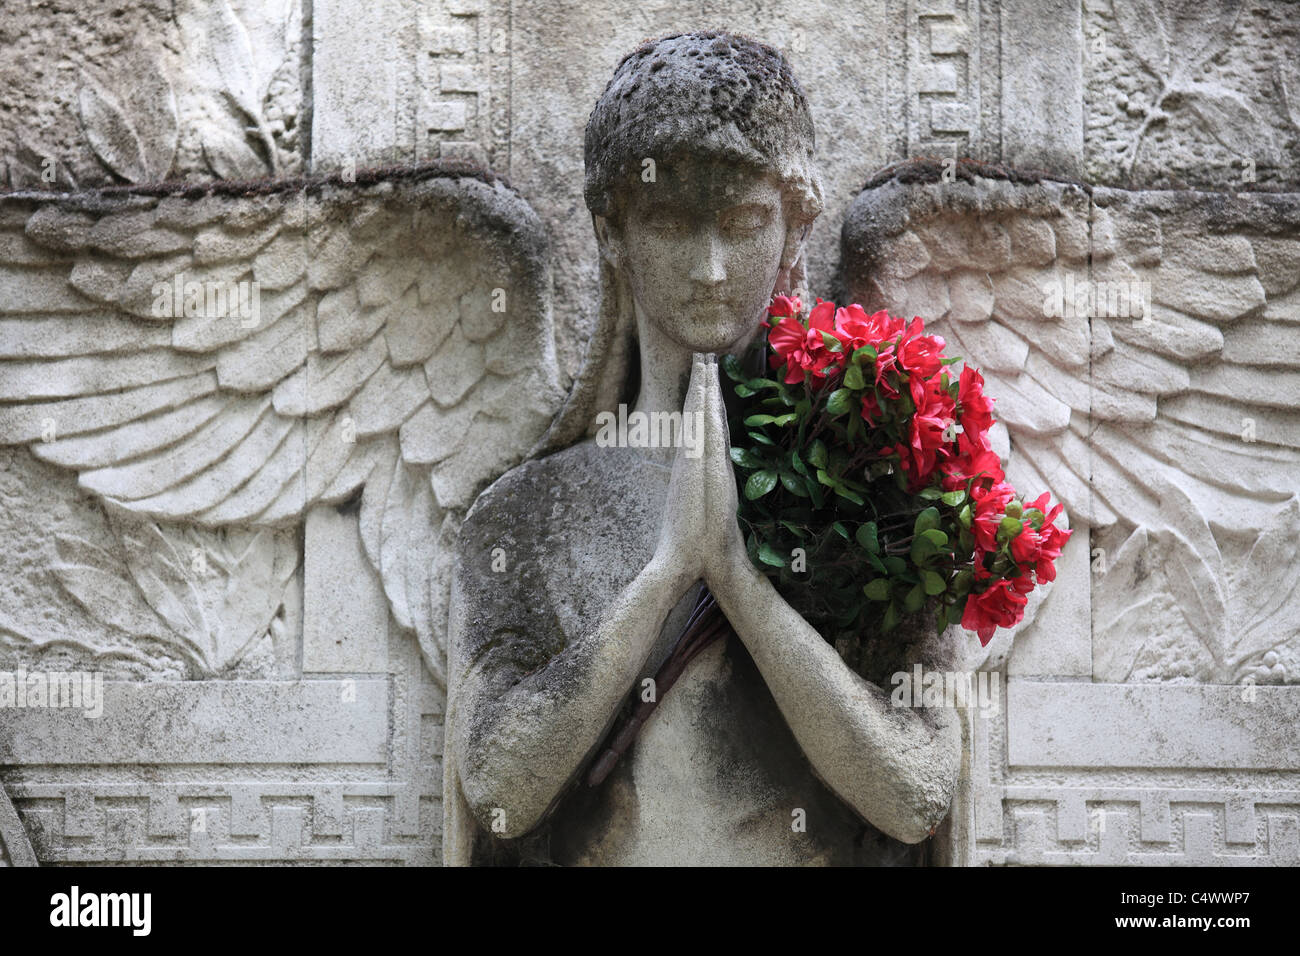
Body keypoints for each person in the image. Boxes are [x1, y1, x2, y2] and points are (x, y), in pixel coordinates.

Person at [444, 31, 965, 866]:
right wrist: (662, 578)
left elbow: (916, 794)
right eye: (671, 223)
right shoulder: (528, 516)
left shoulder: (876, 500)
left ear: (795, 226)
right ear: (613, 233)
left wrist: (736, 578)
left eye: (745, 222)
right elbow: (500, 796)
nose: (713, 266)